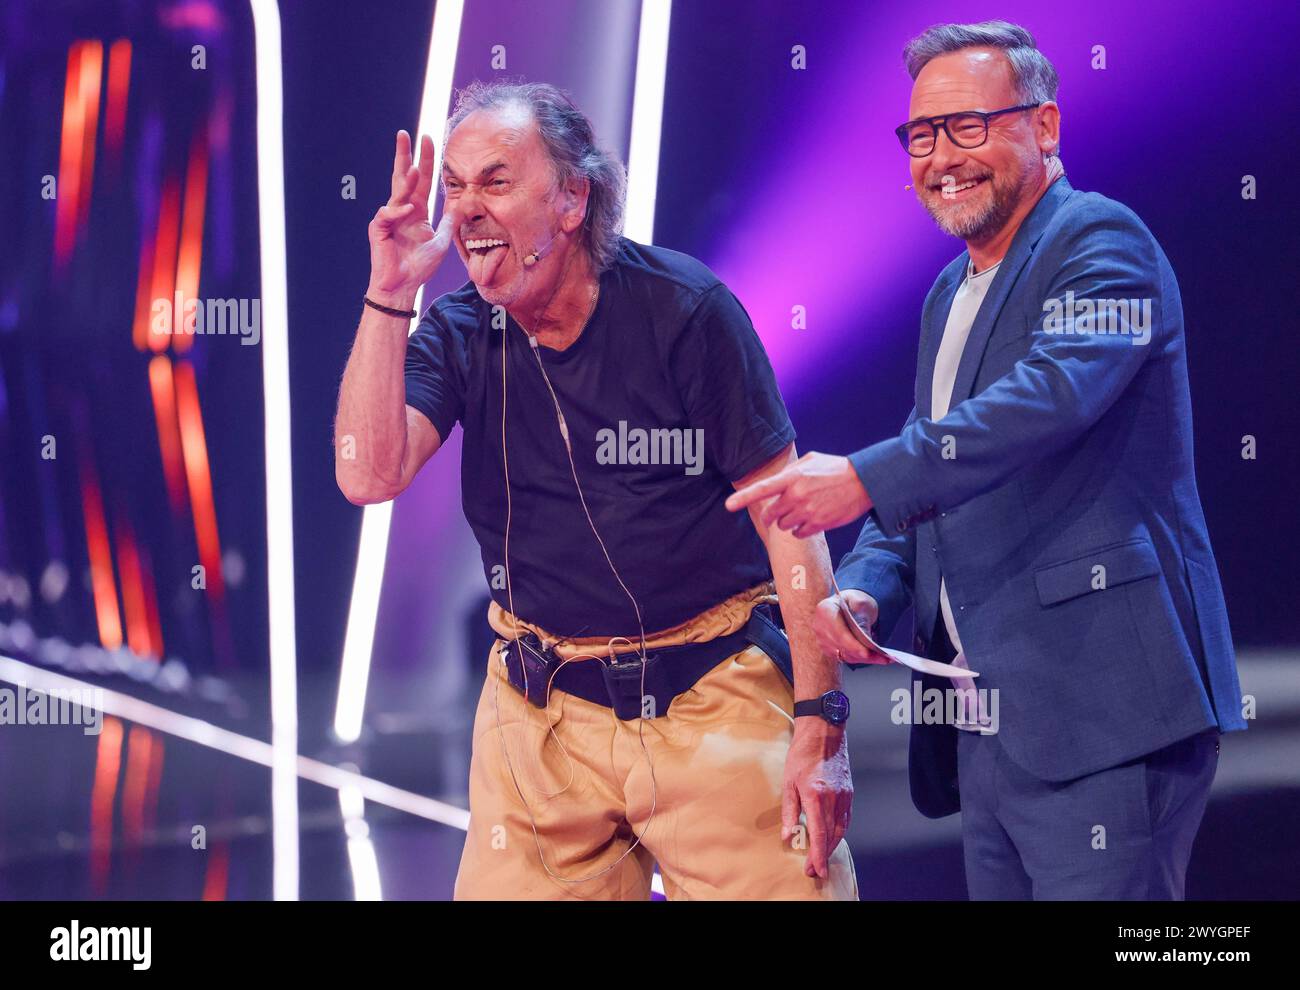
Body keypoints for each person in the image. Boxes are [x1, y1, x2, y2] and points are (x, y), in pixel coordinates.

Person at [728, 21, 1245, 900]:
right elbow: (941, 476)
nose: (940, 158)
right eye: (922, 135)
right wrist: (868, 591)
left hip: (1105, 715)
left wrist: (862, 477)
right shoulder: (950, 289)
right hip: (991, 726)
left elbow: (1048, 399)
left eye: (968, 127)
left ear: (1044, 127)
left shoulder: (1103, 243)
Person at [334, 80, 860, 900]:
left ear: (573, 198)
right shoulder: (460, 329)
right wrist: (392, 292)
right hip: (538, 725)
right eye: (457, 187)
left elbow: (788, 518)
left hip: (712, 697)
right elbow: (368, 473)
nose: (466, 209)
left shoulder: (685, 311)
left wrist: (822, 721)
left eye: (496, 182)